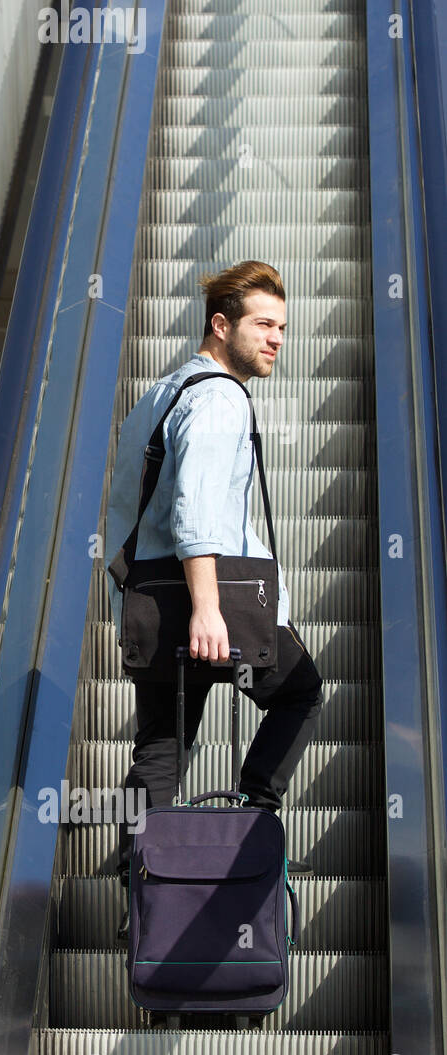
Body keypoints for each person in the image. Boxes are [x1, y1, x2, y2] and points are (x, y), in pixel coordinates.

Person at [105, 261, 324, 939]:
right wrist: (206, 607)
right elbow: (196, 510)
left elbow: (130, 505)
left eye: (282, 327)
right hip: (214, 604)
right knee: (300, 691)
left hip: (152, 599)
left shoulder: (162, 392)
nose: (277, 339)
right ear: (221, 325)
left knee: (162, 749)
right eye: (264, 324)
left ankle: (139, 890)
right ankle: (253, 820)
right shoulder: (220, 399)